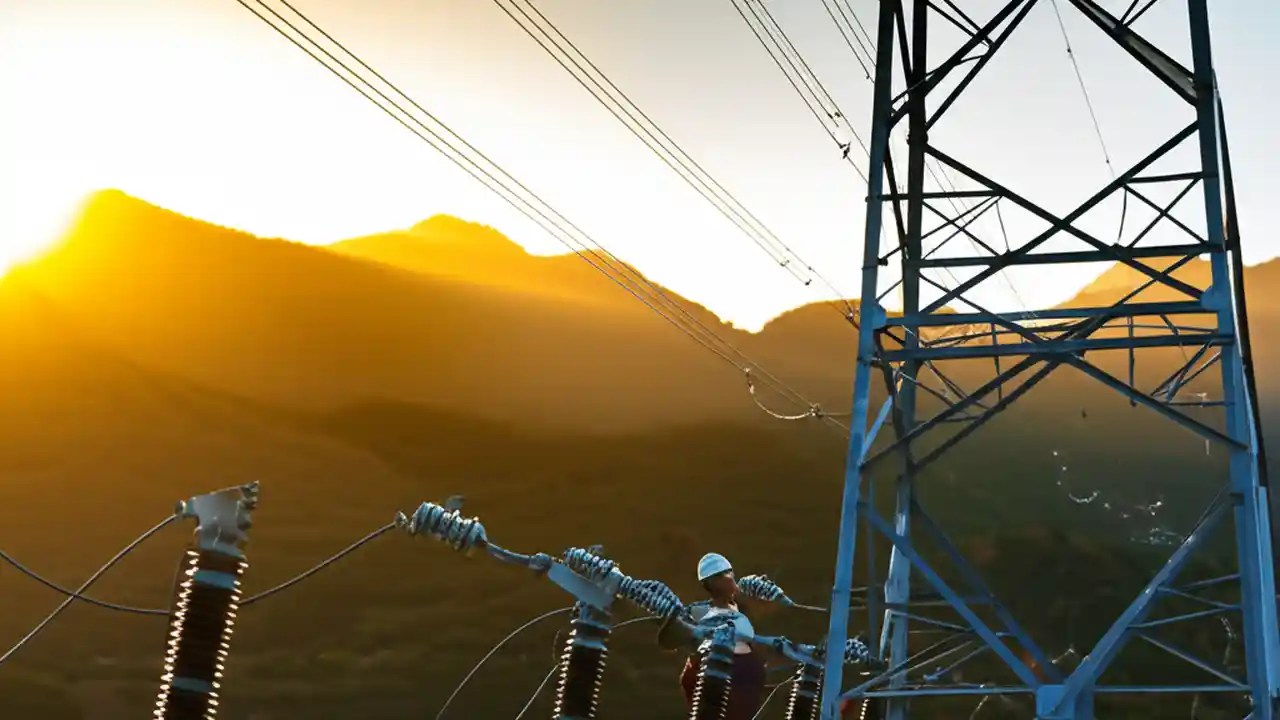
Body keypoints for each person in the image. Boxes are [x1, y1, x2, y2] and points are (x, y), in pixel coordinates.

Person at [678, 552, 768, 719]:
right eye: (720, 577)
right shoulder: (700, 611)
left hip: (743, 675)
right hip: (719, 672)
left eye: (727, 574)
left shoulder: (743, 612)